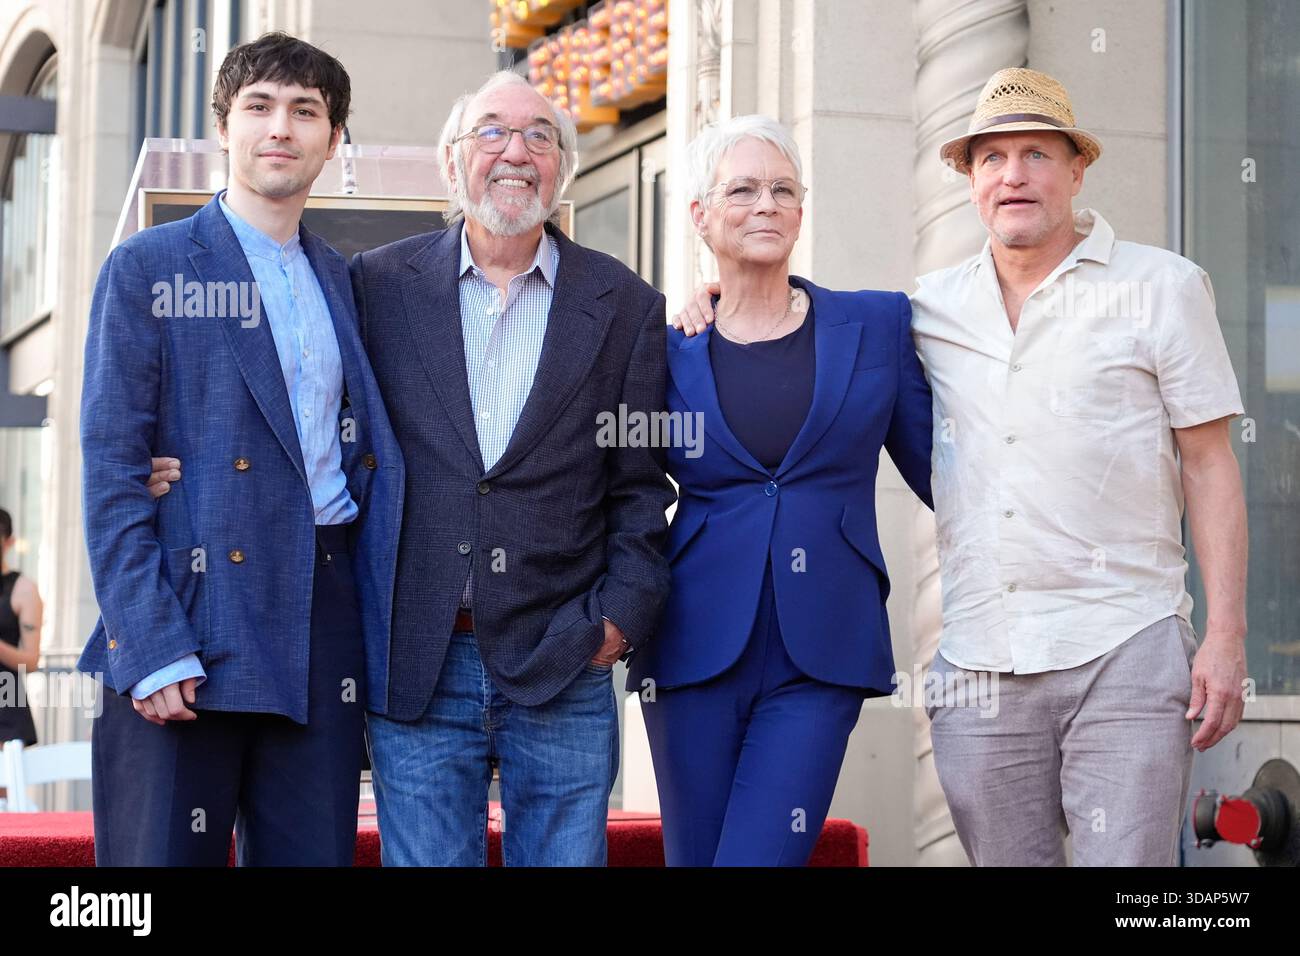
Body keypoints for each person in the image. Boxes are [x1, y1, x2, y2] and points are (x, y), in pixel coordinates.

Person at [677, 68, 1249, 867]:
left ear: (1078, 169)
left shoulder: (1161, 288)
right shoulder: (924, 310)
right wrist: (715, 295)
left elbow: (1211, 463)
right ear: (969, 180)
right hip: (980, 661)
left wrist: (1224, 634)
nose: (1014, 176)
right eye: (992, 158)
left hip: (1124, 642)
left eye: (1037, 155)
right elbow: (789, 333)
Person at [80, 32, 403, 865]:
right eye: (259, 106)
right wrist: (148, 645)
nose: (280, 129)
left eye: (306, 112)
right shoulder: (146, 267)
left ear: (333, 142)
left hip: (322, 610)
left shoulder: (344, 277)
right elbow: (113, 469)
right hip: (191, 607)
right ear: (223, 126)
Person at [349, 71, 674, 866]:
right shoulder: (376, 288)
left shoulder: (627, 305)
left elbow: (640, 485)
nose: (515, 153)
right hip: (417, 662)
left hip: (565, 658)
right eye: (492, 131)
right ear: (452, 162)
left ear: (563, 167)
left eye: (539, 136)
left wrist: (616, 622)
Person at [634, 115, 933, 866]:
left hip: (821, 651)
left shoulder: (876, 324)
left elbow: (948, 474)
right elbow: (624, 490)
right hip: (691, 645)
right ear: (701, 215)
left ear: (802, 209)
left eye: (781, 189)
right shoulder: (666, 351)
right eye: (742, 189)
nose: (765, 204)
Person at [0, 507, 41, 772]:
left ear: (9, 542)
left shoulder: (23, 589)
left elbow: (32, 661)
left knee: (4, 804)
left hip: (5, 705)